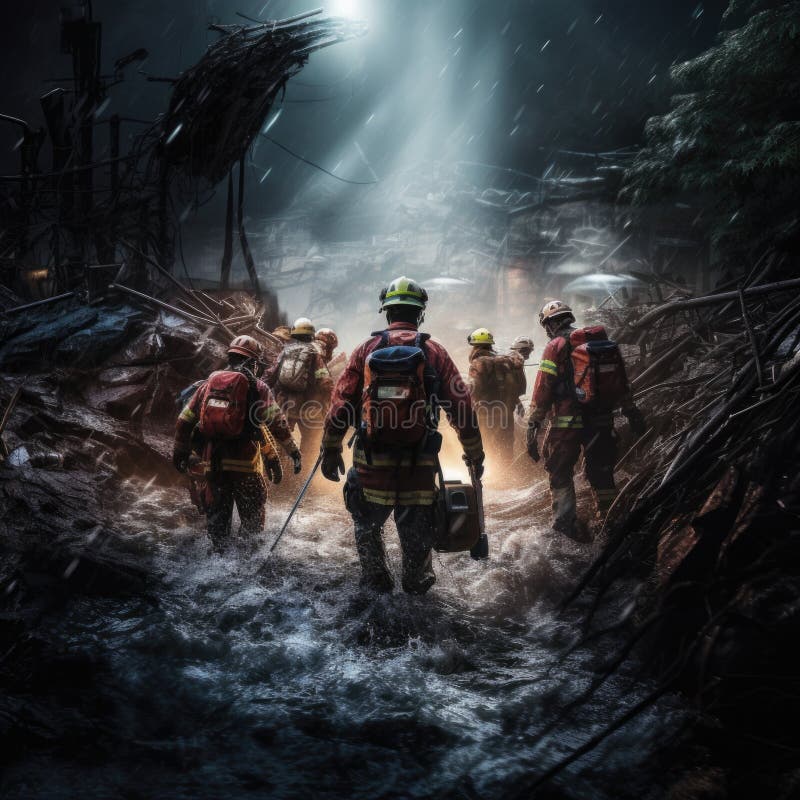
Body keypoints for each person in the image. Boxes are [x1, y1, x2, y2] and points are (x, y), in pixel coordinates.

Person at [320, 276, 485, 595]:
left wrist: (330, 449)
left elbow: (340, 404)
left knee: (367, 532)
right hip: (418, 470)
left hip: (370, 467)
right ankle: (415, 593)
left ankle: (375, 587)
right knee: (416, 550)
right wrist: (474, 455)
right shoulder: (434, 351)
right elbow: (462, 407)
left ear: (386, 312)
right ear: (420, 314)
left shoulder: (365, 350)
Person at [526, 300, 646, 540]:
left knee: (560, 471)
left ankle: (565, 526)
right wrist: (633, 413)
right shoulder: (600, 344)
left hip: (566, 424)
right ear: (569, 318)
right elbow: (621, 383)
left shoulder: (556, 346)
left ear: (549, 324)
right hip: (601, 421)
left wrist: (532, 426)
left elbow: (543, 390)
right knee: (601, 473)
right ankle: (610, 522)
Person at [173, 335, 302, 551]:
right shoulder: (258, 387)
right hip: (247, 468)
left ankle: (217, 565)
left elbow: (184, 420)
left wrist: (179, 451)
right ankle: (246, 568)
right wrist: (293, 452)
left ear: (230, 357)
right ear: (253, 362)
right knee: (252, 530)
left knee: (217, 529)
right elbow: (277, 423)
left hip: (214, 466)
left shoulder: (208, 384)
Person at [269, 317, 334, 473]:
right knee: (310, 443)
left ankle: (282, 475)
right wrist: (330, 400)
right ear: (311, 336)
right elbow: (325, 381)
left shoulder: (285, 352)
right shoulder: (314, 354)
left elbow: (269, 375)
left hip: (285, 405)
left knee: (281, 439)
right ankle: (302, 476)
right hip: (309, 409)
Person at [467, 327, 519, 468]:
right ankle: (507, 476)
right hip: (506, 413)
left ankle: (491, 478)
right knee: (506, 446)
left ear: (475, 346)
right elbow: (514, 386)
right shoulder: (505, 361)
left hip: (486, 413)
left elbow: (473, 388)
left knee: (488, 445)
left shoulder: (478, 363)